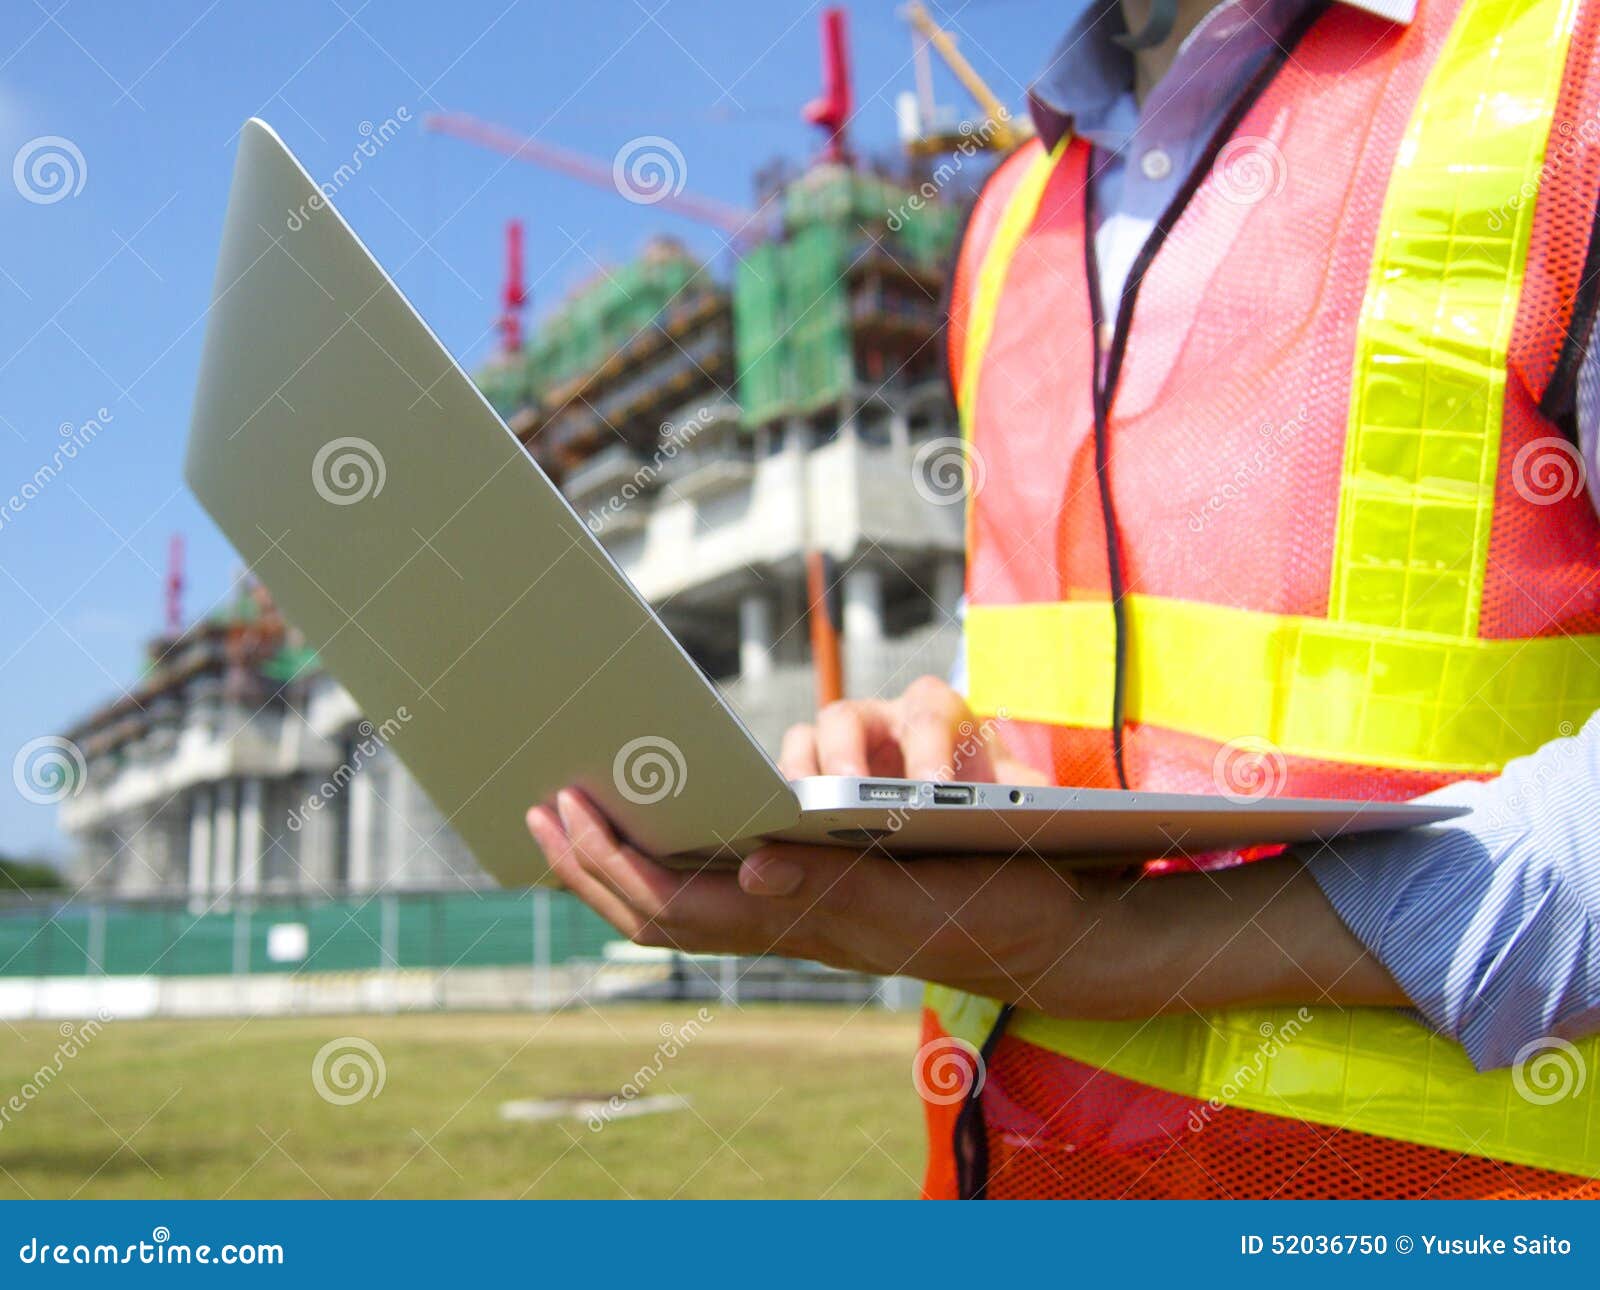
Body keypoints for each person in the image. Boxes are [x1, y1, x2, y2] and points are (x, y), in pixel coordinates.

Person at [527, 0, 1600, 1198]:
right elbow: (1075, 676)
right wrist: (948, 754)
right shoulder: (1004, 219)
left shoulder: (1554, 80)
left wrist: (1124, 949)